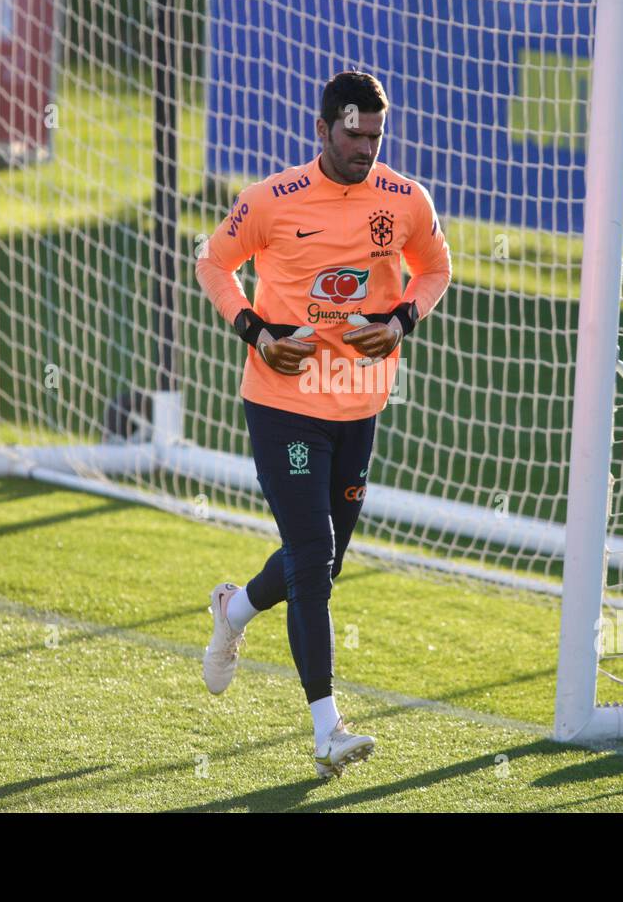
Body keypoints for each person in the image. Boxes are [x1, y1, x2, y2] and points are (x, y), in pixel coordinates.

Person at [194, 72, 452, 779]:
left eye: (375, 137)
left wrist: (401, 322)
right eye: (352, 136)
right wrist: (254, 330)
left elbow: (435, 268)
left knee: (324, 564)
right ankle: (327, 730)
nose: (364, 149)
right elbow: (213, 262)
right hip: (283, 403)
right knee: (312, 552)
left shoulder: (404, 200)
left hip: (359, 405)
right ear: (322, 129)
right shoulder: (269, 200)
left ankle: (235, 609)